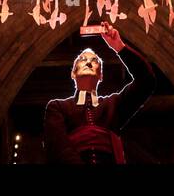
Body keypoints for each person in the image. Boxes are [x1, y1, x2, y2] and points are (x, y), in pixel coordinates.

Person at [43, 25, 155, 164]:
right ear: (73, 73)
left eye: (94, 60)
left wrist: (119, 47)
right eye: (83, 59)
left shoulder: (114, 104)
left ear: (101, 75)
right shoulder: (57, 107)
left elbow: (147, 81)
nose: (89, 62)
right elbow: (58, 148)